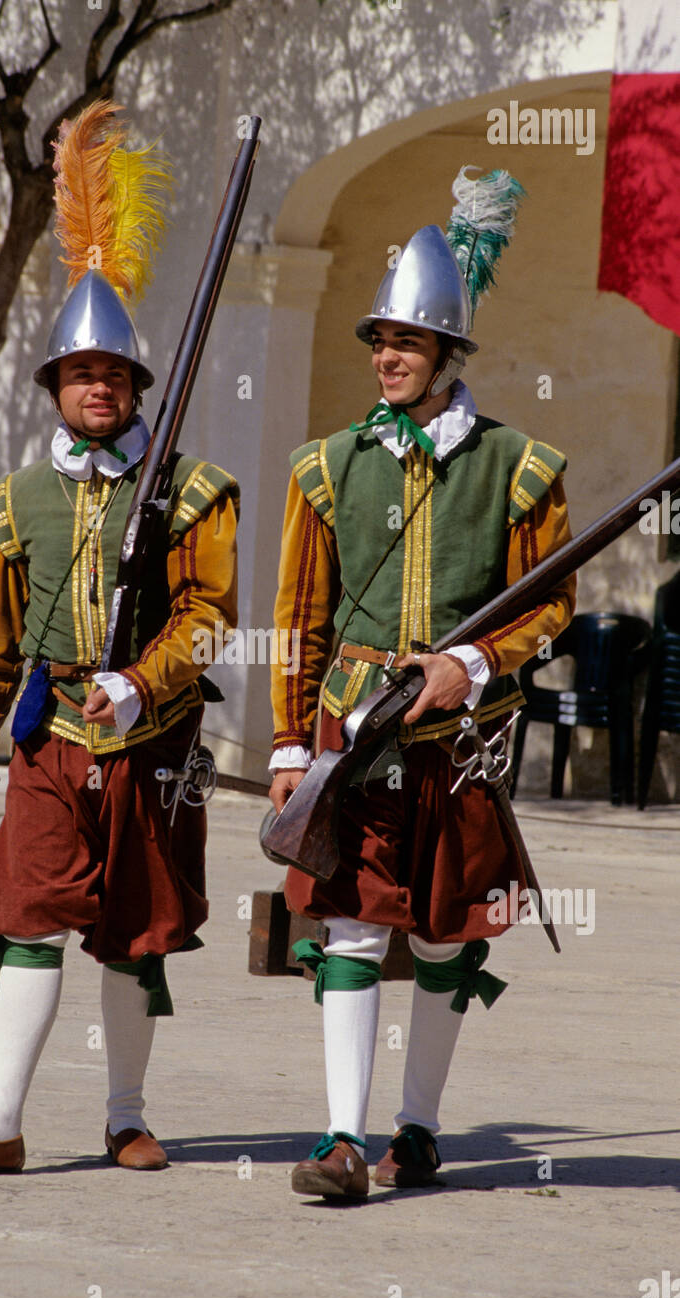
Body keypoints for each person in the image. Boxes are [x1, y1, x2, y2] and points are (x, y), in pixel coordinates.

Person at [268, 201, 575, 1199]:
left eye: (408, 343)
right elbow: (299, 620)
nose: (388, 359)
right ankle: (339, 1140)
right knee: (350, 924)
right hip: (351, 735)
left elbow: (551, 607)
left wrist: (473, 662)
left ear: (447, 351)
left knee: (447, 930)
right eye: (381, 342)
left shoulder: (519, 469)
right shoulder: (324, 469)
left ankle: (420, 1128)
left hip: (462, 739)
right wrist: (285, 746)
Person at [0, 257, 238, 1176]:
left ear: (137, 388)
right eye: (83, 373)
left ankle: (125, 1116)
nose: (101, 387)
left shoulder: (193, 488)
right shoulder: (15, 499)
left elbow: (211, 618)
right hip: (50, 737)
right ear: (55, 385)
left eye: (118, 374)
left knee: (137, 932)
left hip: (154, 740)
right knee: (28, 917)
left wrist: (142, 679)